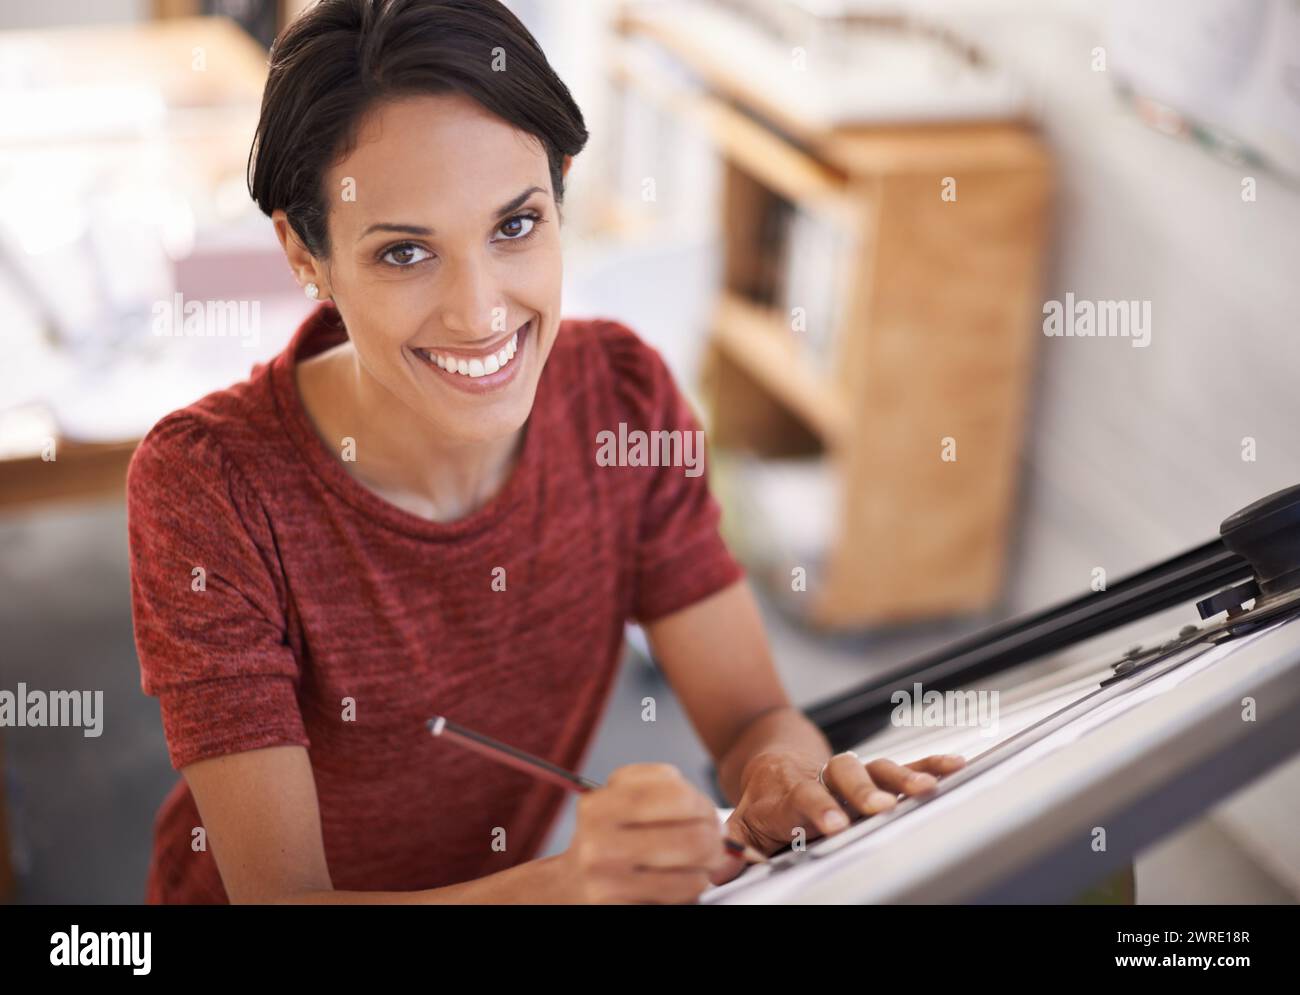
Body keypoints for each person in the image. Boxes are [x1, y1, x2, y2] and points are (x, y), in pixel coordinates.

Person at [126, 0, 964, 904]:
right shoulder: (207, 487)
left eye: (516, 225)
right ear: (306, 255)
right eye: (405, 252)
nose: (481, 312)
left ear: (562, 188)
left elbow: (755, 715)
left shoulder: (621, 397)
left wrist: (782, 779)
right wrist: (568, 888)